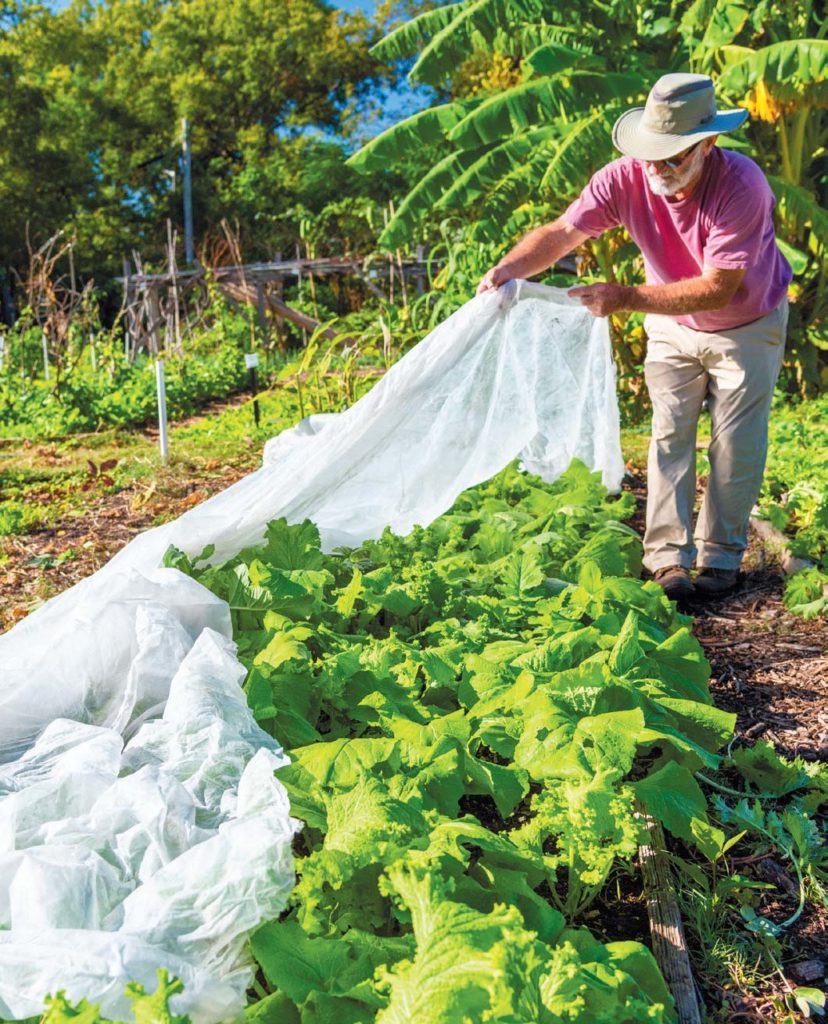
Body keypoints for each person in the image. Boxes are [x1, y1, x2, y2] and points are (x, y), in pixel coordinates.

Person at [478, 72, 792, 604]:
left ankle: (720, 557)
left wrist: (624, 297)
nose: (657, 168)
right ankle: (668, 557)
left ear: (707, 144)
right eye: (651, 153)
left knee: (735, 445)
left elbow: (719, 288)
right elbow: (562, 232)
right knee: (669, 435)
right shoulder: (624, 179)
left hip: (746, 324)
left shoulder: (742, 185)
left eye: (672, 157)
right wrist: (508, 270)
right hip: (669, 322)